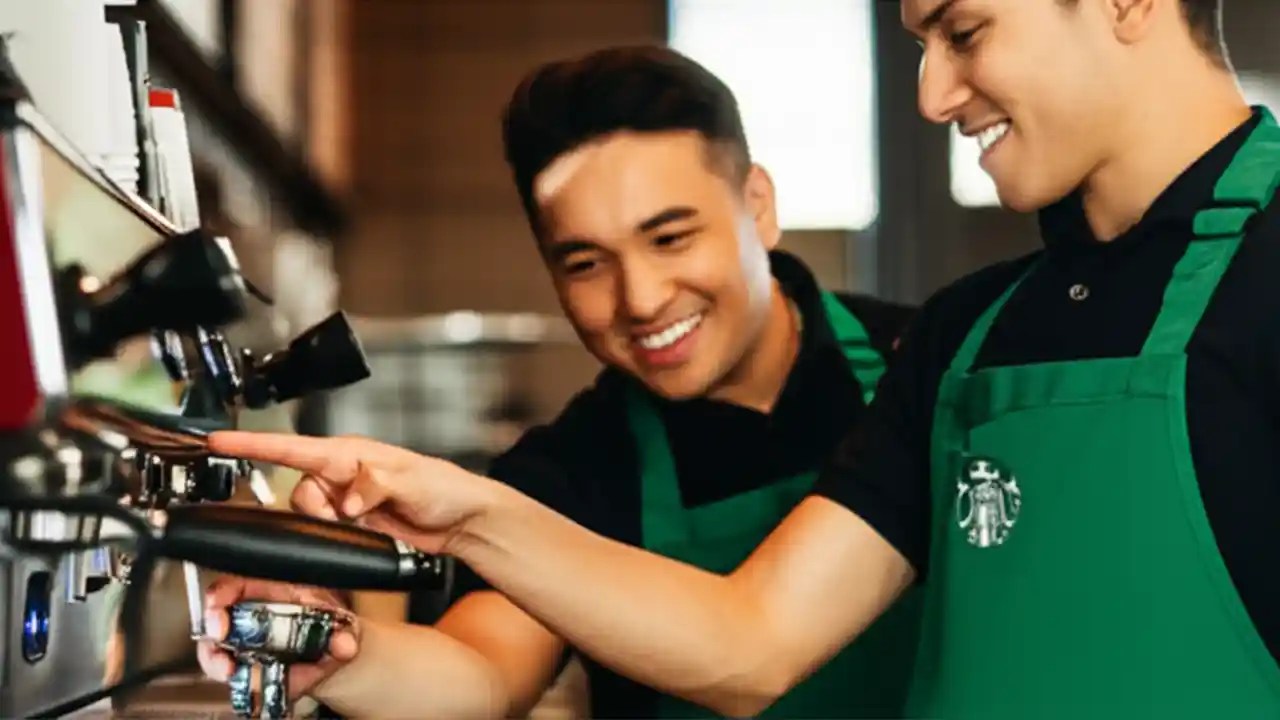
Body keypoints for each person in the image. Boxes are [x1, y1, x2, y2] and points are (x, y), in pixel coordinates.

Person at [211, 0, 1280, 716]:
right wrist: (463, 521)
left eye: (961, 28)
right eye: (582, 260)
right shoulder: (967, 338)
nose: (931, 96)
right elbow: (752, 641)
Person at [198, 46, 921, 719]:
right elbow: (478, 671)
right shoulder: (574, 466)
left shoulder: (925, 368)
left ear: (757, 205)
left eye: (670, 238)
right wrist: (335, 650)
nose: (640, 298)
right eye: (584, 263)